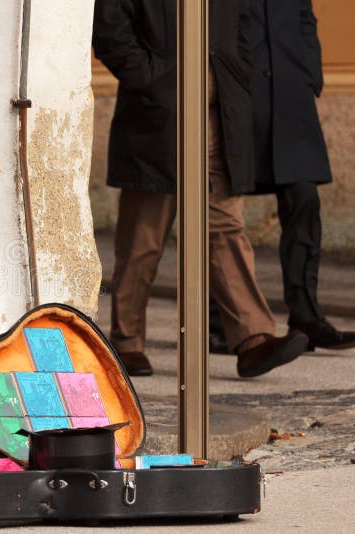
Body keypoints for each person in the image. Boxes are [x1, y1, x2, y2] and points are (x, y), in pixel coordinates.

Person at [92, 0, 308, 377]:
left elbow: (242, 23)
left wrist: (238, 72)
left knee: (226, 225)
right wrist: (154, 79)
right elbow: (110, 30)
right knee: (144, 235)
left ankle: (253, 338)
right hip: (159, 116)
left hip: (219, 116)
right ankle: (126, 343)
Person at [209, 0, 354, 353]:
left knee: (304, 198)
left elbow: (305, 17)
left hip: (291, 98)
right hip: (241, 100)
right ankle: (220, 321)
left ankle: (306, 315)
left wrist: (310, 76)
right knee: (225, 211)